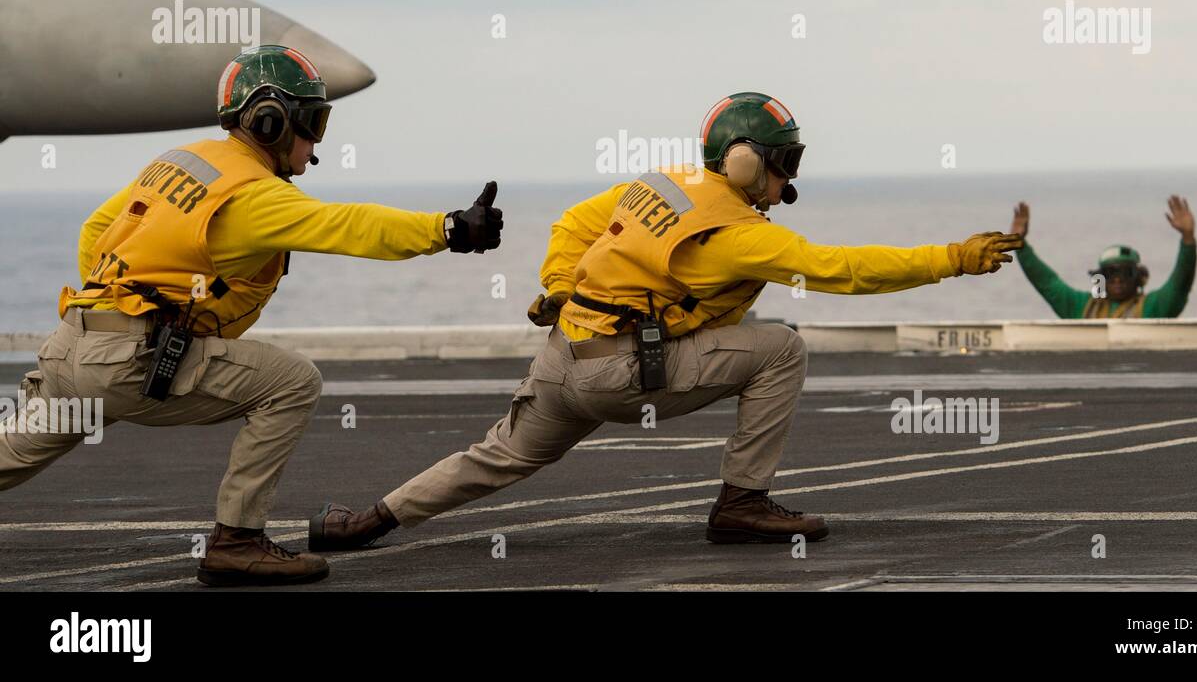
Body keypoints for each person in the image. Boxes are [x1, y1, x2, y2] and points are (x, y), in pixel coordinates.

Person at [308, 91, 1023, 553]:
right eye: (785, 164)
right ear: (748, 165)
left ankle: (371, 518)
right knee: (782, 347)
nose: (789, 183)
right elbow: (844, 269)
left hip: (564, 359)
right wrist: (957, 257)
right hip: (625, 375)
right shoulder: (738, 232)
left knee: (497, 455)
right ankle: (743, 500)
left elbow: (572, 224)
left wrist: (558, 287)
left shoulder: (659, 186)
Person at [0, 44, 503, 586]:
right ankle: (237, 541)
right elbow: (350, 225)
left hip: (71, 345)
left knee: (16, 453)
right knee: (291, 382)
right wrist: (447, 230)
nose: (314, 149)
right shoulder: (255, 197)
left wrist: (123, 306)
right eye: (312, 125)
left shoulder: (182, 161)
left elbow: (95, 230)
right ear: (270, 122)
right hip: (128, 362)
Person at [1009, 197, 1197, 318]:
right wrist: (1020, 245)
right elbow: (1047, 282)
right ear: (1099, 278)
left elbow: (1181, 282)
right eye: (1109, 273)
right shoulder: (1080, 307)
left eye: (1126, 272)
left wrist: (1187, 239)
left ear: (1139, 277)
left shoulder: (1154, 307)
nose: (1117, 278)